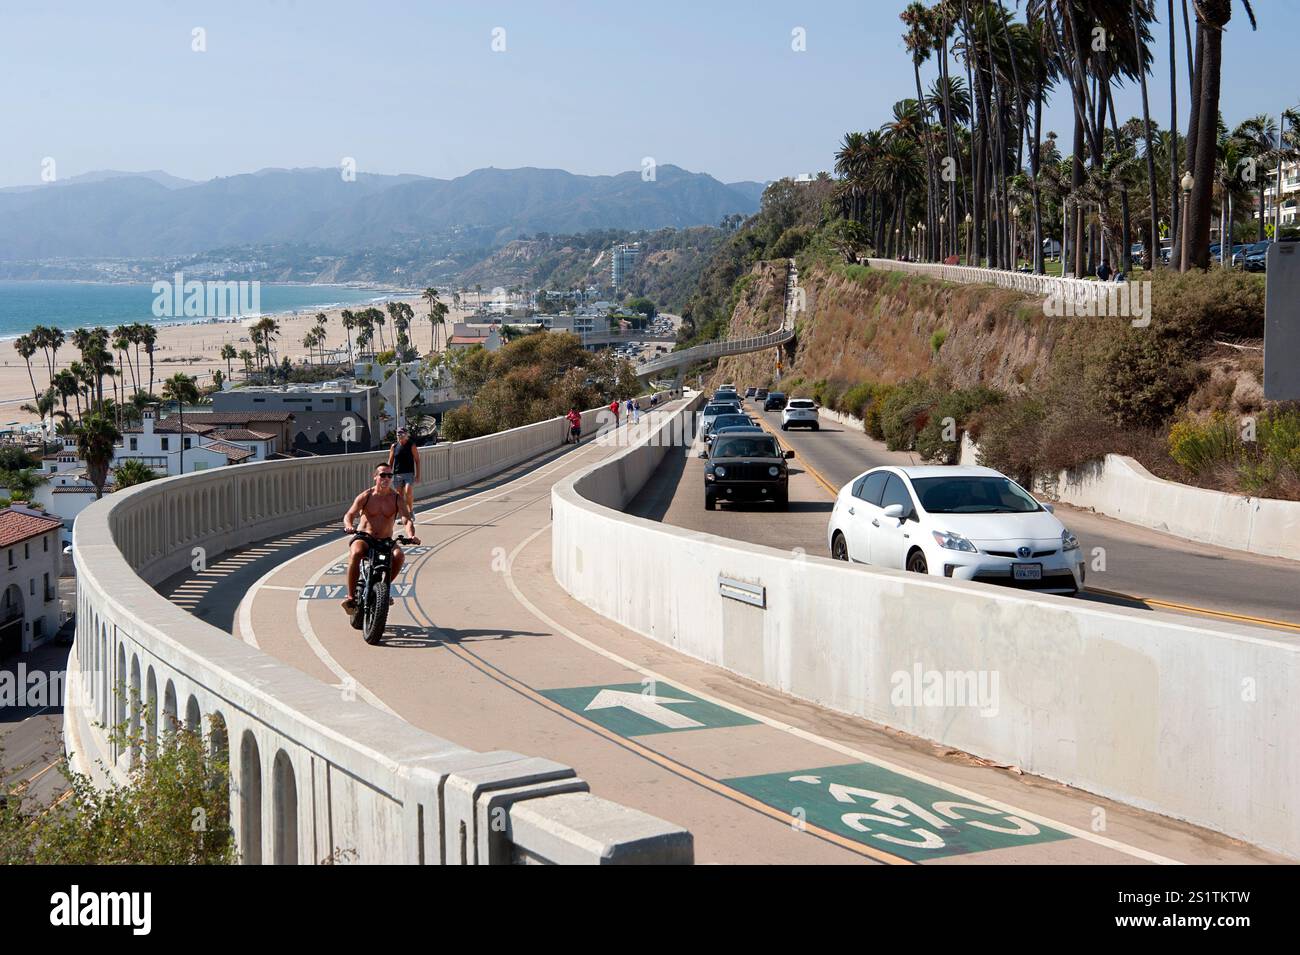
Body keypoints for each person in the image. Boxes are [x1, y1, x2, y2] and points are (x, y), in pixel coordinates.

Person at [341, 464, 421, 614]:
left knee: (399, 556)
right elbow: (349, 514)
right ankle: (351, 597)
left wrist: (411, 535)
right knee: (356, 552)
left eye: (389, 476)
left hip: (385, 541)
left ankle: (383, 590)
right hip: (365, 537)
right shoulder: (366, 495)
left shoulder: (396, 498)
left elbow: (407, 519)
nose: (386, 478)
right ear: (375, 477)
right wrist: (349, 525)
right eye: (383, 475)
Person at [387, 427, 420, 513]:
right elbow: (390, 461)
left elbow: (417, 460)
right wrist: (387, 474)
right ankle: (403, 515)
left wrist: (418, 475)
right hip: (397, 474)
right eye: (398, 434)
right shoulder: (394, 446)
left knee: (408, 491)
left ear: (406, 435)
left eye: (401, 434)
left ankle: (410, 511)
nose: (399, 436)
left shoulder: (411, 445)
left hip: (409, 473)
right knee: (400, 496)